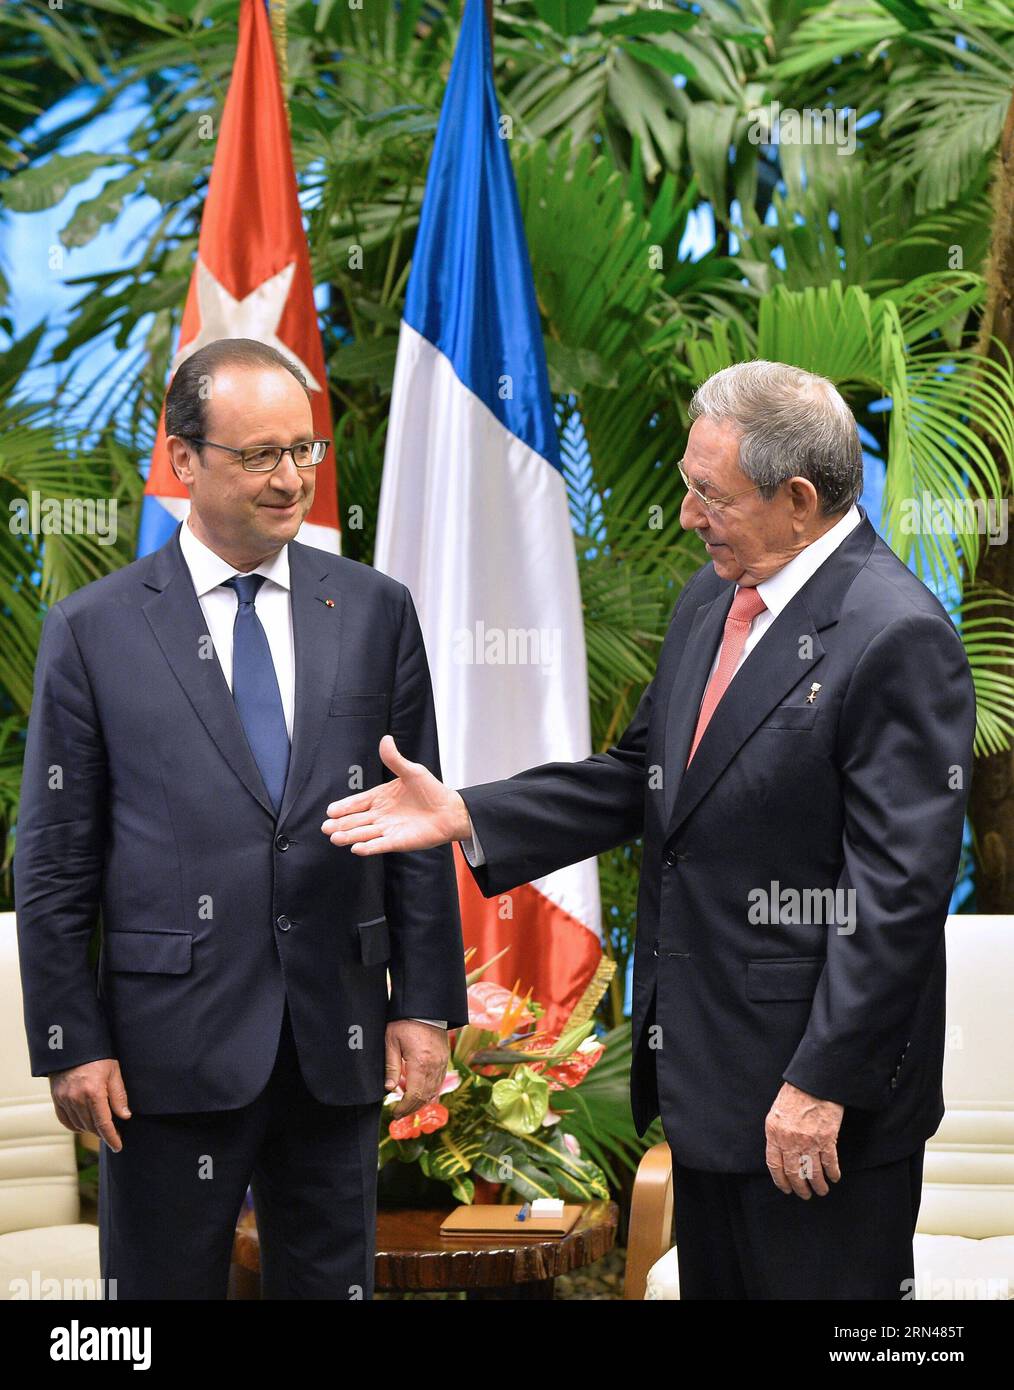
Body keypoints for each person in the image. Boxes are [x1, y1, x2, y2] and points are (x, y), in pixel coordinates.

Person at [321, 360, 976, 1300]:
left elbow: (899, 896)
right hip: (709, 1088)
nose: (685, 515)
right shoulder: (713, 597)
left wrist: (822, 1083)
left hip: (816, 1106)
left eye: (710, 495)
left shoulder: (895, 634)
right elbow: (643, 778)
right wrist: (470, 812)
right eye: (683, 484)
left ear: (798, 499)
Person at [14, 336, 467, 1300]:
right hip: (160, 1053)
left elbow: (414, 826)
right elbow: (54, 857)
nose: (290, 478)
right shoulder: (94, 630)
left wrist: (423, 1004)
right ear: (183, 460)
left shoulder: (376, 611)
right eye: (260, 454)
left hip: (332, 1041)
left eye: (302, 451)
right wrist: (71, 1038)